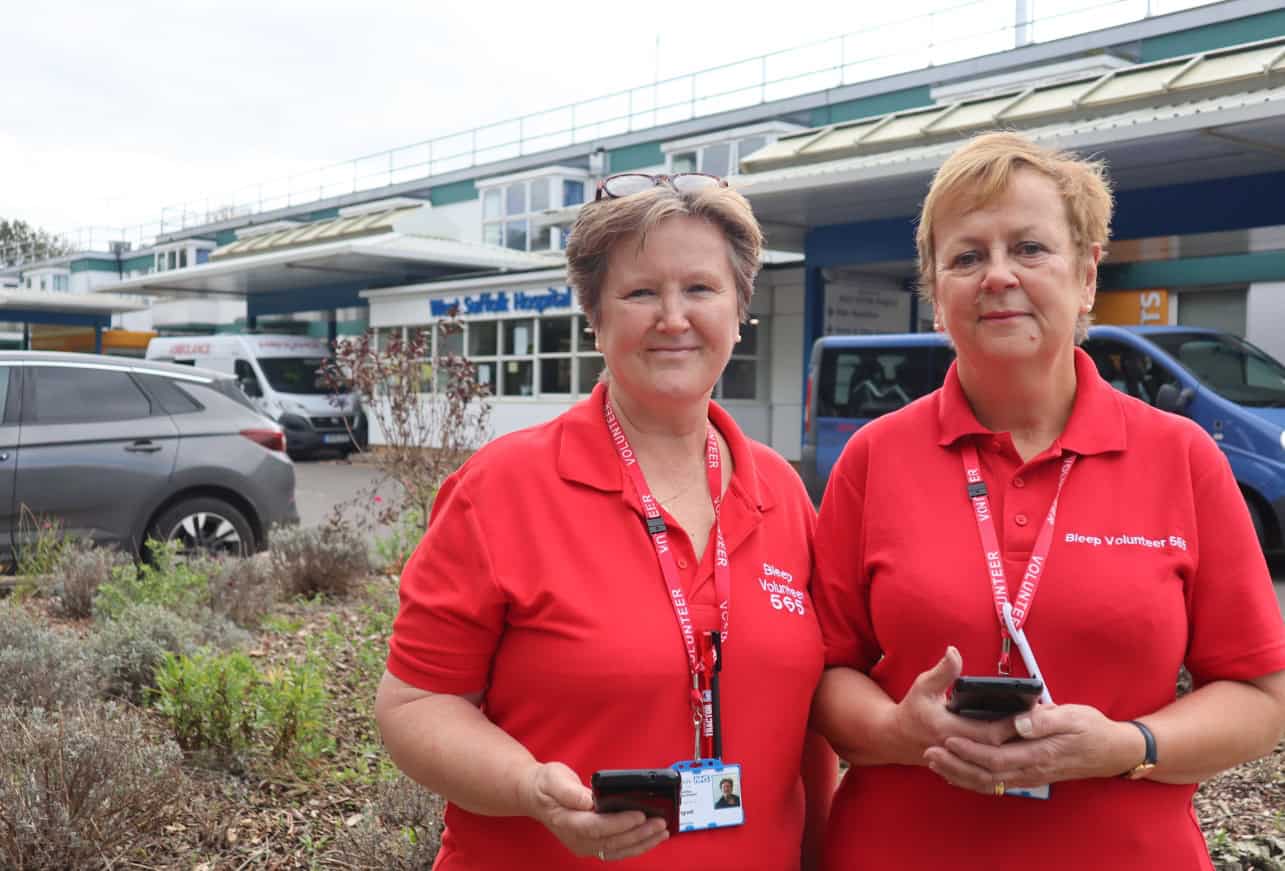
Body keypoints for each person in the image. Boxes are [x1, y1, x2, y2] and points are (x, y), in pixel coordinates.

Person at [810, 131, 1285, 869]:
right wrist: (902, 729)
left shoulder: (1181, 457)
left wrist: (1129, 745)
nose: (997, 275)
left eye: (1029, 248)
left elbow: (1259, 699)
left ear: (1087, 273)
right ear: (935, 292)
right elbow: (825, 674)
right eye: (966, 256)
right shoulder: (874, 458)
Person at [375, 171, 835, 869]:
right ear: (595, 317)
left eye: (700, 289)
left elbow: (808, 729)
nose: (673, 317)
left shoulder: (781, 491)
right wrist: (529, 787)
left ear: (740, 311)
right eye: (641, 292)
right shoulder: (502, 488)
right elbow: (414, 706)